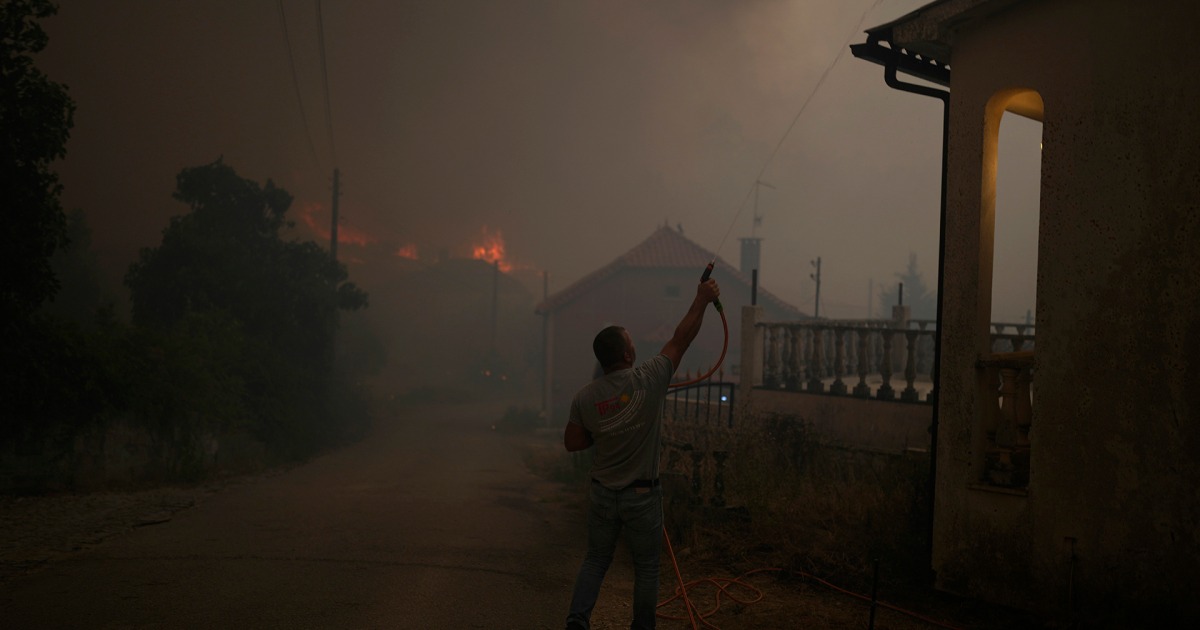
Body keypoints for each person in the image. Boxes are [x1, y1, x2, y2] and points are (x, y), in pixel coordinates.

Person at [563, 278, 721, 630]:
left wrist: (604, 431)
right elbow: (682, 339)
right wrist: (701, 299)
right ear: (628, 355)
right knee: (647, 567)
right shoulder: (649, 379)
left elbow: (572, 442)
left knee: (595, 561)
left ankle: (577, 622)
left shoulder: (585, 398)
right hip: (642, 495)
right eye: (632, 343)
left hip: (604, 494)